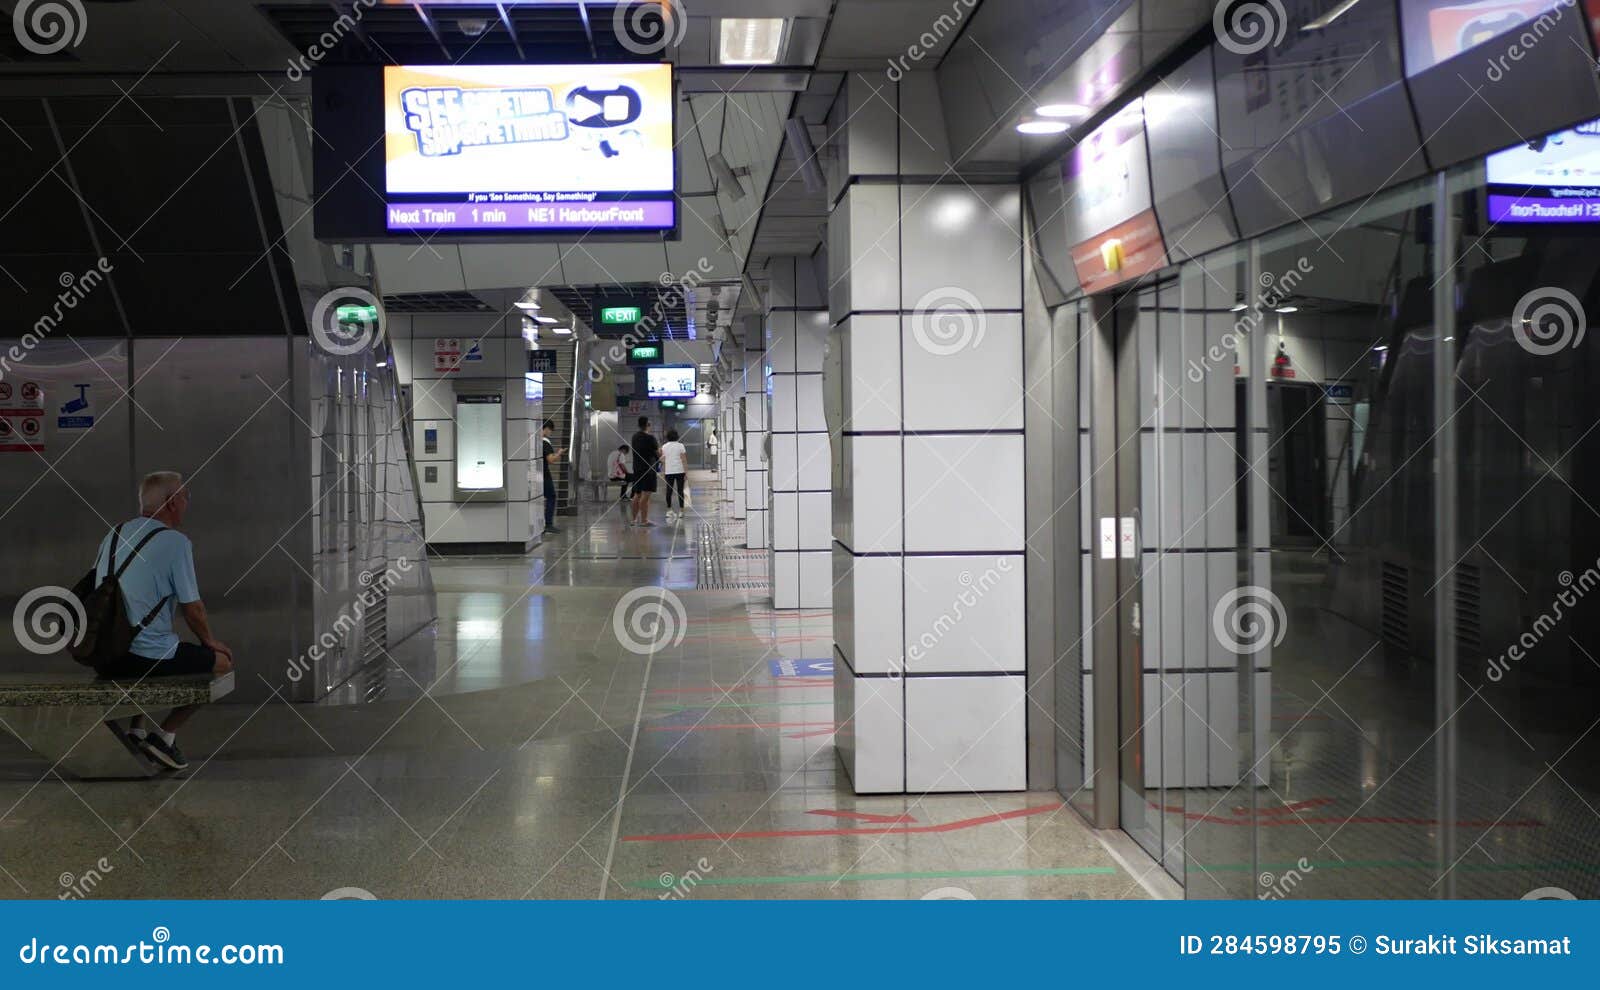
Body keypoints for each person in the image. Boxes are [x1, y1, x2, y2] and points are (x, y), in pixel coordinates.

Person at [98, 471, 233, 772]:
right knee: (221, 664)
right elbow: (193, 608)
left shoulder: (114, 534)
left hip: (106, 656)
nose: (187, 502)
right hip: (142, 659)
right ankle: (165, 737)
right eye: (185, 496)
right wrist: (210, 642)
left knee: (155, 643)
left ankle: (137, 729)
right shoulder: (175, 543)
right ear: (172, 502)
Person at [629, 416, 659, 527]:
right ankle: (644, 520)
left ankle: (633, 520)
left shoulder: (634, 437)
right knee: (646, 495)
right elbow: (658, 453)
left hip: (637, 469)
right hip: (648, 469)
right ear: (647, 425)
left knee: (637, 494)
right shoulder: (651, 438)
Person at [541, 419, 567, 535]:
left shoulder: (534, 440)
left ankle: (542, 524)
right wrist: (559, 453)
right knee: (551, 496)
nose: (551, 433)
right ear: (546, 428)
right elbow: (551, 459)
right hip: (544, 475)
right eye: (550, 430)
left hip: (535, 474)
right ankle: (548, 524)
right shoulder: (545, 442)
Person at [660, 429, 688, 521]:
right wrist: (686, 472)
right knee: (680, 491)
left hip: (669, 471)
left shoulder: (664, 447)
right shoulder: (681, 446)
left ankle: (669, 510)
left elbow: (663, 461)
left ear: (667, 437)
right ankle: (681, 511)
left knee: (669, 491)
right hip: (680, 470)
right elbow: (684, 460)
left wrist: (663, 472)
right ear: (677, 436)